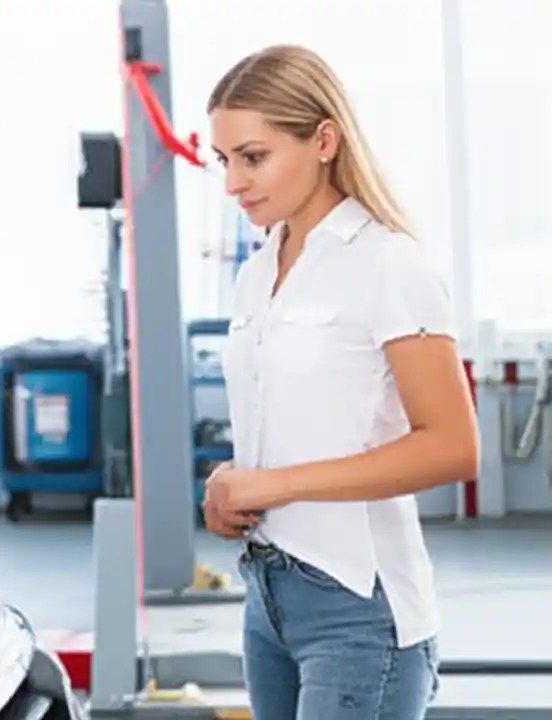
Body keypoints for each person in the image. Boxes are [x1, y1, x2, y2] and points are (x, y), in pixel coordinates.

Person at [201, 45, 478, 719]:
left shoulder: (389, 264)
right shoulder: (257, 275)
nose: (233, 182)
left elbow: (453, 447)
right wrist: (233, 480)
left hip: (359, 609)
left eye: (253, 157)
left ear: (324, 141)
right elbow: (296, 419)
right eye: (224, 160)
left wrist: (274, 485)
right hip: (268, 597)